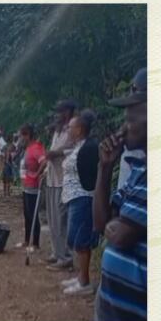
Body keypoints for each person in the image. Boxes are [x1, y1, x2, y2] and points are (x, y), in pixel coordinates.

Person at [94, 69, 149, 321]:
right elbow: (101, 223)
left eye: (130, 119)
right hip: (113, 309)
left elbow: (122, 236)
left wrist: (116, 224)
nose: (123, 128)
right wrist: (104, 168)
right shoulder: (138, 171)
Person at [59, 110, 99, 297]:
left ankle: (84, 282)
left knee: (81, 240)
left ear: (80, 129)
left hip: (83, 197)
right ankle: (80, 277)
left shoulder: (89, 147)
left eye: (71, 127)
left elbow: (92, 174)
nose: (67, 130)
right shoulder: (78, 145)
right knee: (75, 239)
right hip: (74, 198)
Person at [44, 100, 76, 273]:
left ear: (69, 111)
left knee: (61, 220)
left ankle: (66, 257)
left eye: (61, 111)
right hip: (52, 178)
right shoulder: (57, 130)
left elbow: (74, 149)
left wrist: (56, 153)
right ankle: (57, 252)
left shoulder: (73, 129)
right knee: (53, 218)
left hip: (63, 180)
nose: (58, 114)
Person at [18, 124, 46, 252]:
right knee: (27, 214)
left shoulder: (36, 148)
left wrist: (37, 174)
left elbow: (44, 161)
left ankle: (35, 243)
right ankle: (27, 240)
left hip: (33, 187)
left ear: (27, 135)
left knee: (33, 214)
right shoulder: (27, 148)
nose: (20, 138)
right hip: (26, 186)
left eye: (22, 135)